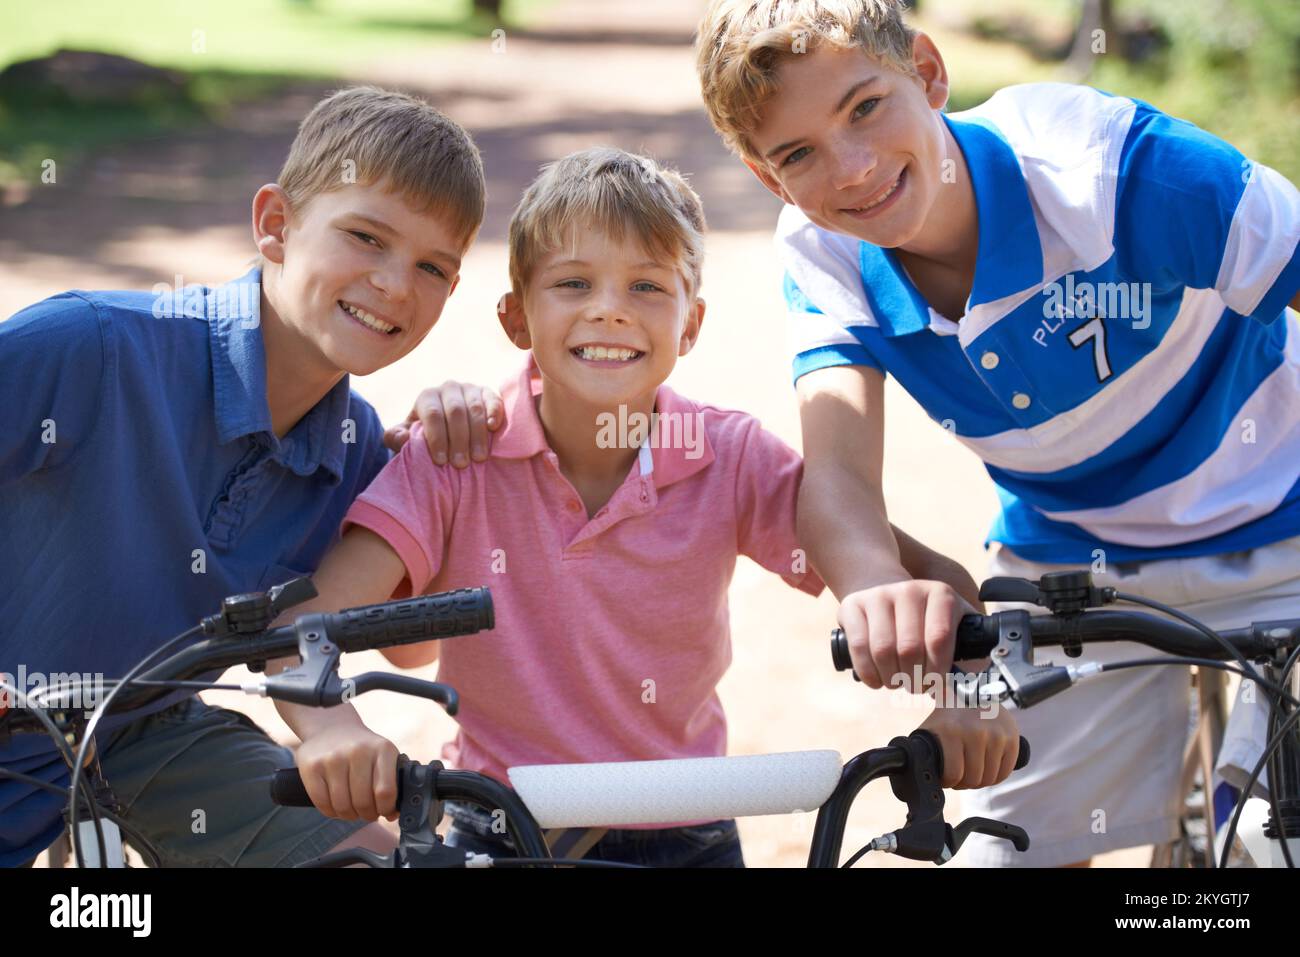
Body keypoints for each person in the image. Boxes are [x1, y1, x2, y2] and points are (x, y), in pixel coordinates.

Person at [272, 146, 1022, 868]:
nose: (609, 312)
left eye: (647, 287)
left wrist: (970, 693)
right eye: (572, 284)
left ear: (690, 324)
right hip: (497, 822)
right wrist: (333, 726)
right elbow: (301, 633)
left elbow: (926, 579)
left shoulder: (726, 458)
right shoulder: (454, 458)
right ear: (517, 320)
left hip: (687, 826)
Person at [694, 0, 1300, 866]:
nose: (855, 168)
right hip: (1075, 567)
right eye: (799, 154)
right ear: (769, 177)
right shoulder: (823, 256)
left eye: (866, 106)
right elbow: (837, 478)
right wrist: (869, 581)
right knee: (999, 852)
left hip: (1287, 525)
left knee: (1268, 852)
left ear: (929, 73)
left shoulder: (1114, 170)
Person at [0, 86, 504, 867]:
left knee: (386, 862)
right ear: (275, 225)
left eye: (432, 267)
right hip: (13, 719)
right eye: (366, 237)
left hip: (141, 734)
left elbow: (416, 649)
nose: (397, 285)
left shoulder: (357, 445)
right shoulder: (90, 348)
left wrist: (443, 461)